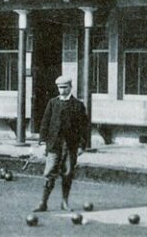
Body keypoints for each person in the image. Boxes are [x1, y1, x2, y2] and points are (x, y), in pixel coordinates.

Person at [33, 76, 90, 212]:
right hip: (54, 145)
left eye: (65, 87)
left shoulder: (78, 105)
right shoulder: (52, 103)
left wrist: (82, 146)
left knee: (68, 172)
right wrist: (42, 142)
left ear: (70, 87)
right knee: (49, 172)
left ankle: (64, 202)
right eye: (60, 87)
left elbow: (84, 127)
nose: (62, 90)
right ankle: (43, 203)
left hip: (70, 146)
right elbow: (45, 123)